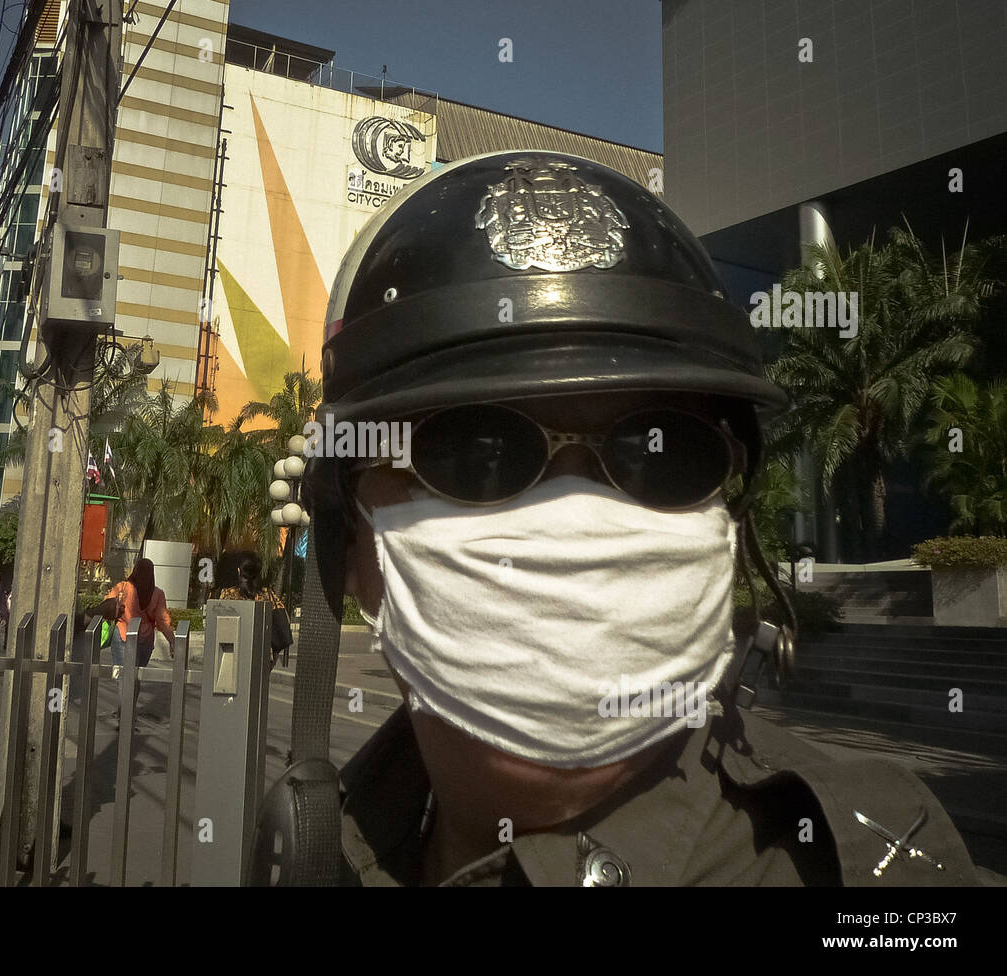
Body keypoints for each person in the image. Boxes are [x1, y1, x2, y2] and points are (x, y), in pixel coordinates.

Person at [254, 150, 998, 887]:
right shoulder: (322, 855)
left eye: (663, 452)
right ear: (348, 535)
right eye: (478, 453)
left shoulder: (869, 866)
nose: (578, 522)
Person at [106, 558, 177, 715]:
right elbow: (162, 620)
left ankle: (124, 712)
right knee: (136, 677)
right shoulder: (158, 594)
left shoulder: (122, 587)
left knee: (123, 676)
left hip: (123, 635)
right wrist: (172, 640)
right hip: (145, 639)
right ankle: (129, 710)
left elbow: (107, 605)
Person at [218, 554, 288, 665]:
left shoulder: (227, 595)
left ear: (238, 571)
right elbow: (281, 627)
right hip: (262, 657)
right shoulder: (268, 595)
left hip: (232, 656)